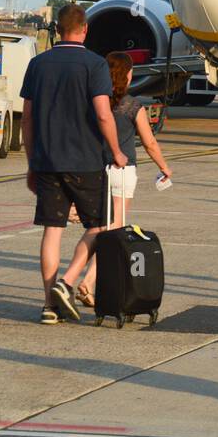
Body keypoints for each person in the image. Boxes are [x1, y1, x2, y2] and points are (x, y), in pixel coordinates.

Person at [20, 3, 127, 325]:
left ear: (57, 30)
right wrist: (116, 150)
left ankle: (49, 304)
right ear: (84, 30)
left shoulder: (38, 64)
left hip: (47, 160)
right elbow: (103, 113)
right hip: (86, 161)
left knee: (52, 231)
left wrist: (31, 162)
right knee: (99, 227)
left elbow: (27, 118)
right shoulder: (94, 65)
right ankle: (67, 282)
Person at [72, 52, 172, 307]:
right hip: (122, 171)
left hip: (95, 170)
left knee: (95, 229)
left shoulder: (94, 102)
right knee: (114, 230)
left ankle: (69, 279)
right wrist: (164, 167)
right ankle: (88, 281)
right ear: (127, 75)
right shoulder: (132, 106)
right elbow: (149, 142)